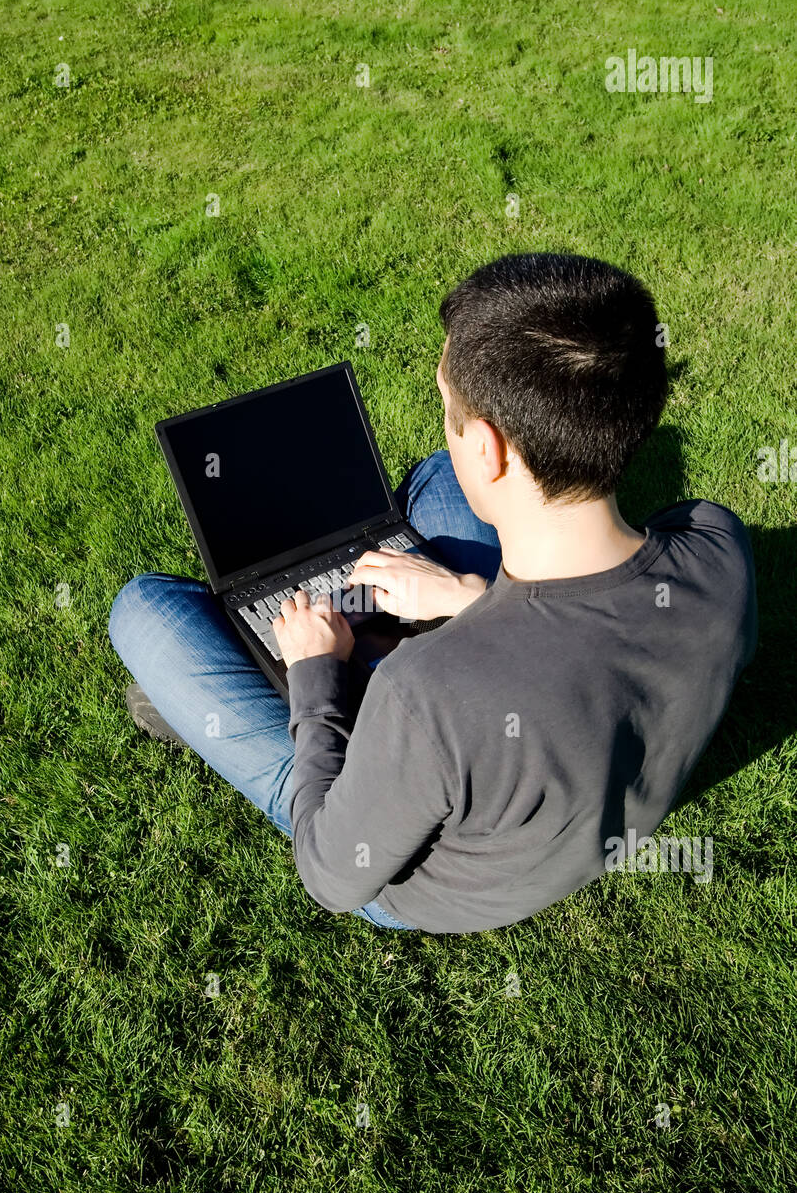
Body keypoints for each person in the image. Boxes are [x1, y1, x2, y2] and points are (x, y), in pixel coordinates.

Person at [108, 252, 757, 934]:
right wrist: (472, 596)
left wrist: (315, 675)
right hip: (538, 783)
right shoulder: (718, 546)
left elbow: (331, 874)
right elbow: (591, 649)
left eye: (446, 405)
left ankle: (239, 700)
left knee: (145, 612)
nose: (446, 422)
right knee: (435, 481)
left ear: (490, 447)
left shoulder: (424, 694)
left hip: (412, 877)